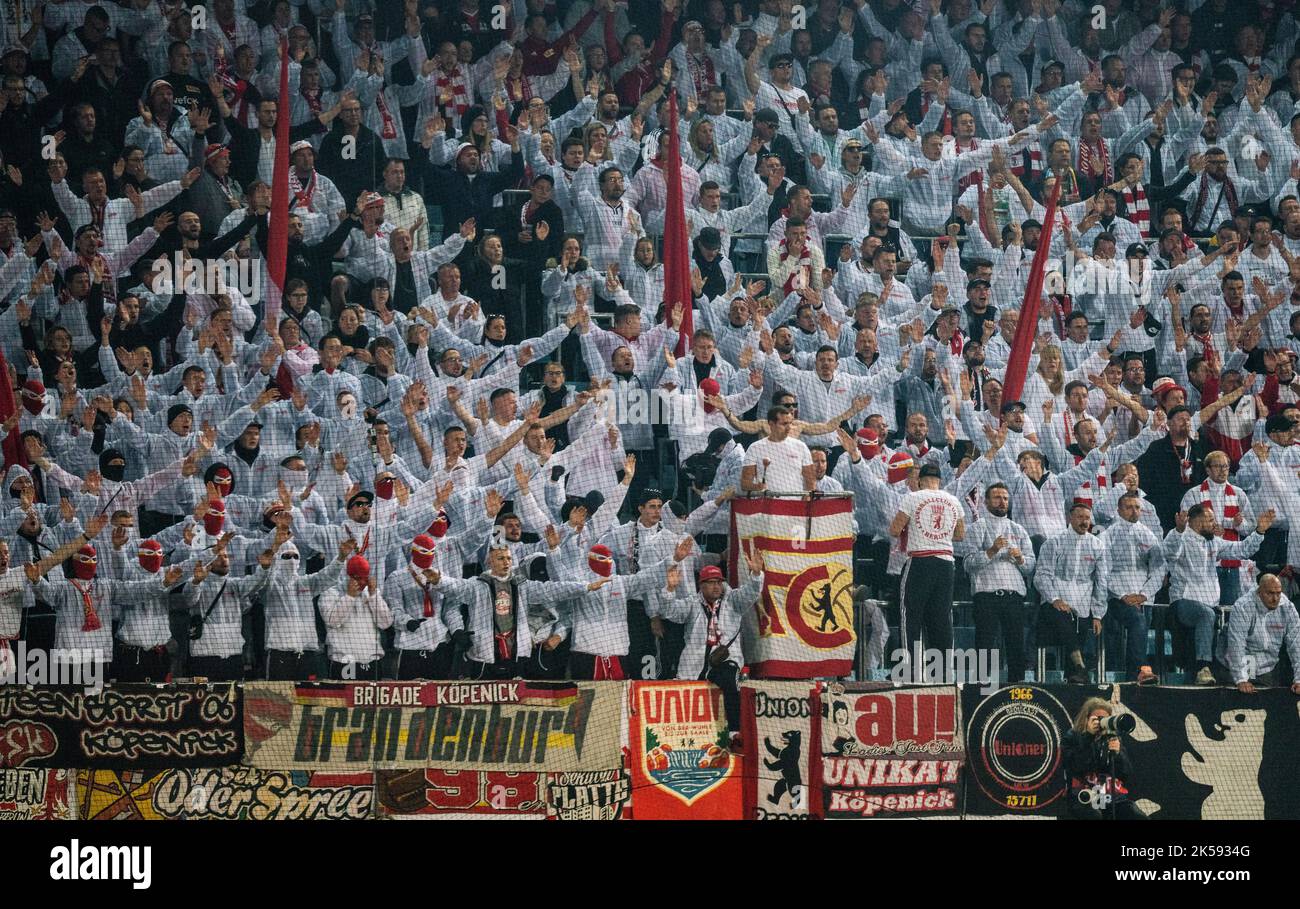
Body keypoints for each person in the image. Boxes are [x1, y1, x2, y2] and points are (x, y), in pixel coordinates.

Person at [653, 541, 766, 753]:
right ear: (701, 586)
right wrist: (669, 589)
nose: (716, 586)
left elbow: (750, 593)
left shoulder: (733, 600)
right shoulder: (691, 603)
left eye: (719, 582)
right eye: (711, 582)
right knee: (683, 699)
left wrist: (756, 576)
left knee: (731, 683)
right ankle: (680, 741)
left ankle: (735, 734)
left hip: (724, 660)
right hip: (695, 663)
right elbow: (670, 612)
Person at [889, 463, 965, 677]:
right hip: (946, 563)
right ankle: (943, 674)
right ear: (939, 480)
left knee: (910, 617)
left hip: (920, 561)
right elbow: (960, 535)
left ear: (920, 480)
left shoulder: (913, 497)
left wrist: (915, 531)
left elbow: (894, 529)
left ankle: (910, 671)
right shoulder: (953, 501)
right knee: (941, 618)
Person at [960, 482, 1035, 683]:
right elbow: (967, 564)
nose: (1001, 502)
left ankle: (1017, 688)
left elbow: (1031, 566)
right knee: (985, 645)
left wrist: (1021, 559)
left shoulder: (1018, 529)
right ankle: (982, 690)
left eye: (1005, 498)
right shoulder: (977, 528)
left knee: (1016, 646)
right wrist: (991, 551)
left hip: (1014, 596)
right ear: (985, 501)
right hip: (986, 595)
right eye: (997, 497)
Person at [1062, 698, 1148, 820]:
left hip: (1112, 798)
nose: (1101, 722)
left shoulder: (1112, 738)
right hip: (1083, 797)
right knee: (1094, 816)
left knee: (1136, 815)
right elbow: (1076, 766)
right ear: (1086, 718)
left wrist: (1118, 754)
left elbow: (1126, 775)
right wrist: (1088, 737)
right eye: (1097, 718)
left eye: (1104, 718)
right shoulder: (1072, 737)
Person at [1213, 574, 1300, 693]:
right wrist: (1240, 679)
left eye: (1278, 593)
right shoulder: (1243, 606)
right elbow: (1236, 644)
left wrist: (1299, 679)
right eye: (1270, 593)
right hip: (1231, 668)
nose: (1275, 598)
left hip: (1266, 668)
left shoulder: (1288, 608)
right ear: (1259, 592)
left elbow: (1296, 644)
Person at [741, 405, 815, 494]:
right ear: (771, 424)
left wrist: (807, 497)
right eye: (784, 424)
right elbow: (745, 484)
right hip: (767, 504)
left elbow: (810, 481)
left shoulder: (801, 446)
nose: (789, 428)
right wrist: (757, 487)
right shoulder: (755, 448)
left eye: (790, 423)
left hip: (795, 504)